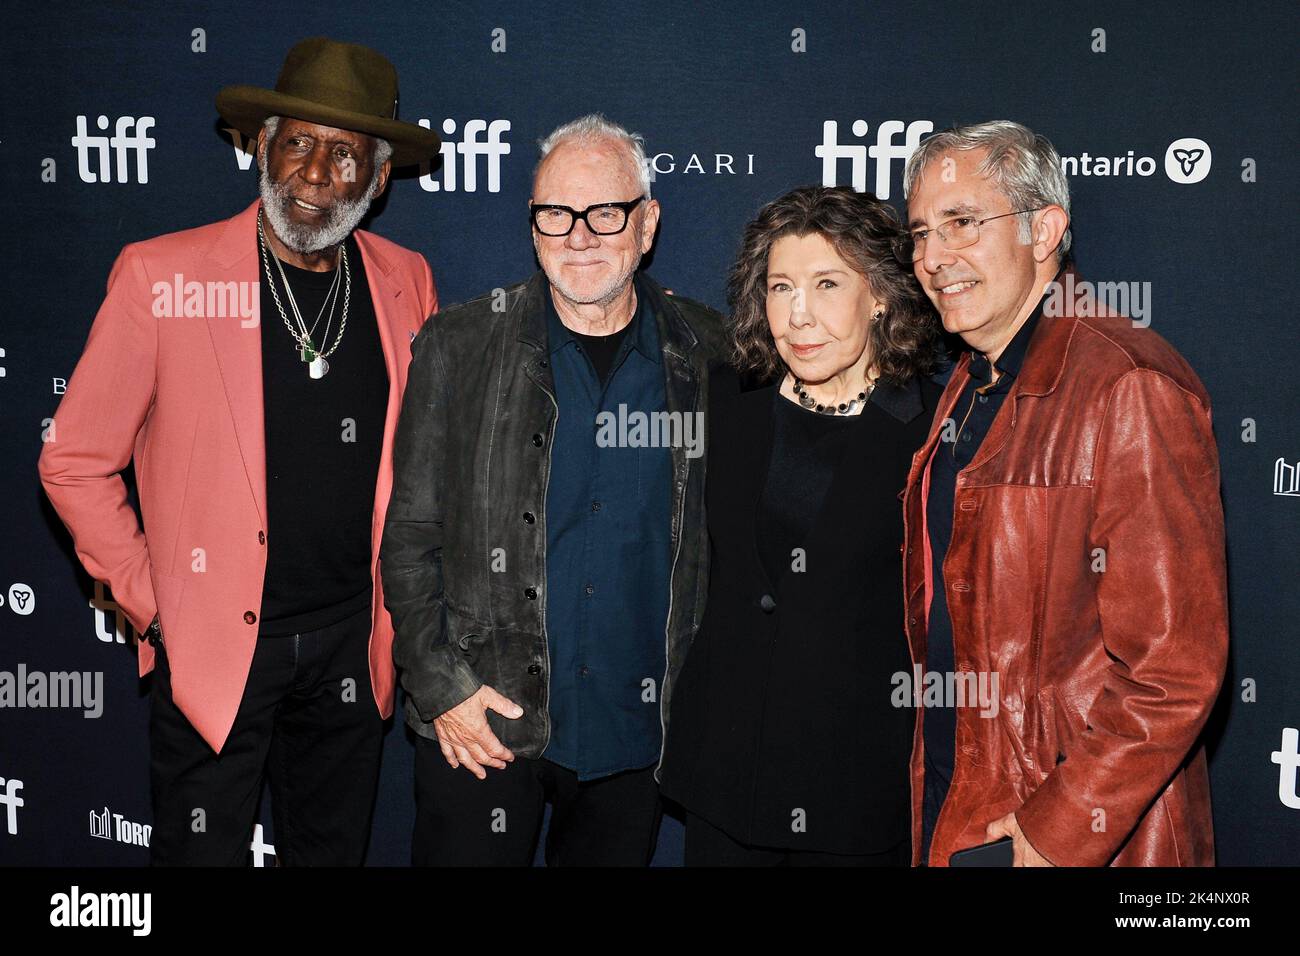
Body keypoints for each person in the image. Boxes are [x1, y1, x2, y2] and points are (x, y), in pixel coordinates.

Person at [37, 37, 441, 865]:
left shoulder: (409, 280)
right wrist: (159, 604)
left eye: (345, 154)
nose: (317, 173)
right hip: (217, 652)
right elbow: (74, 459)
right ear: (260, 144)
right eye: (298, 142)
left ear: (379, 177)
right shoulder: (163, 277)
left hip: (353, 647)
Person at [380, 113, 732, 866]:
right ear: (532, 224)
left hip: (636, 734)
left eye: (606, 213)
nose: (579, 236)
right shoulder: (458, 346)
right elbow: (409, 539)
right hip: (483, 727)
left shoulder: (711, 359)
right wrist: (441, 688)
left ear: (648, 225)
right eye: (555, 214)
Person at [899, 120, 1228, 866]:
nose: (932, 257)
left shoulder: (1129, 385)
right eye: (920, 233)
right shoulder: (970, 377)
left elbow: (1173, 669)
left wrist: (1058, 828)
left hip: (1068, 833)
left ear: (1045, 230)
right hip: (964, 805)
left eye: (961, 224)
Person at [658, 185, 946, 865]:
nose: (799, 314)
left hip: (854, 789)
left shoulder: (934, 426)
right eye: (780, 287)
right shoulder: (726, 399)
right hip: (724, 777)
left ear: (880, 294)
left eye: (826, 284)